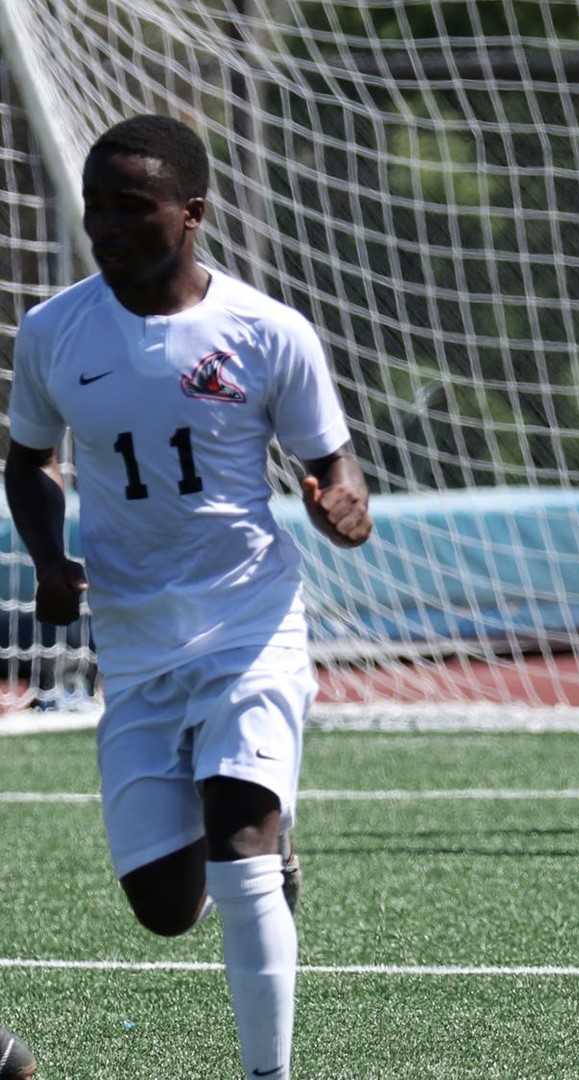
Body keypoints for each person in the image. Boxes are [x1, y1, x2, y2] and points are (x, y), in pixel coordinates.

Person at [5, 114, 373, 1080]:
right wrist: (50, 560)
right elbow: (29, 458)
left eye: (133, 206)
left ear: (193, 213)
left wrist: (343, 507)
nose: (108, 226)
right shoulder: (52, 333)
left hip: (249, 621)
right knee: (165, 908)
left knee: (240, 850)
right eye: (98, 208)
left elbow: (336, 465)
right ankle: (266, 856)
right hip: (133, 640)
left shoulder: (267, 332)